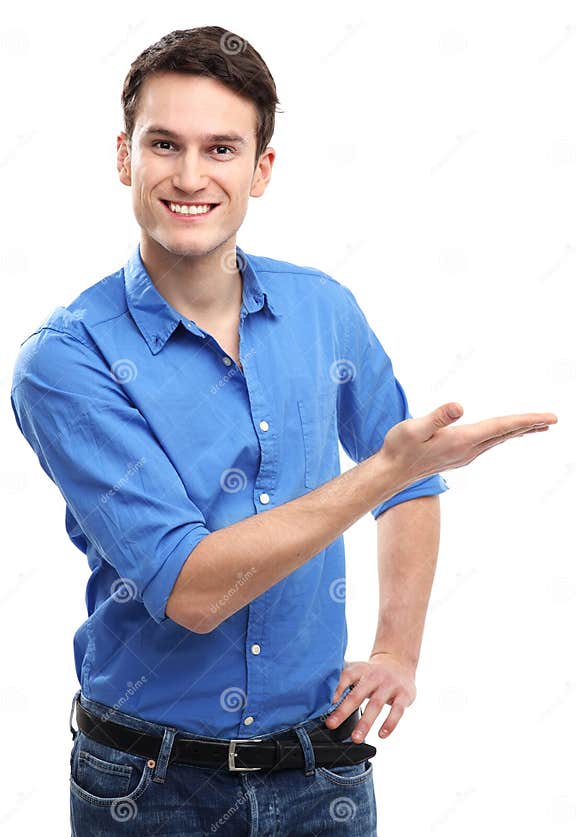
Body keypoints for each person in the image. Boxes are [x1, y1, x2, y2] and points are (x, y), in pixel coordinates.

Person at [9, 25, 557, 837]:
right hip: (150, 786)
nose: (190, 176)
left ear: (261, 169)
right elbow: (192, 588)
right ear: (124, 156)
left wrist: (397, 648)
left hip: (319, 768)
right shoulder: (65, 361)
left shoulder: (322, 310)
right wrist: (385, 470)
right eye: (165, 144)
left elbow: (412, 475)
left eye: (221, 148)